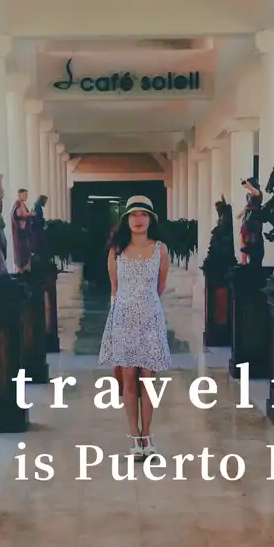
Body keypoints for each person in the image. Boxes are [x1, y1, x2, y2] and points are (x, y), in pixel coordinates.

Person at [98, 196, 172, 459]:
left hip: (151, 318)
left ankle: (147, 435)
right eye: (133, 214)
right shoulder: (116, 250)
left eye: (143, 214)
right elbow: (114, 289)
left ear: (151, 219)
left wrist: (146, 305)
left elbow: (160, 286)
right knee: (128, 380)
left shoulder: (160, 249)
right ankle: (134, 437)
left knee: (148, 380)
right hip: (123, 318)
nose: (138, 219)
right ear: (126, 219)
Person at [234, 176, 263, 266]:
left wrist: (248, 185)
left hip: (254, 218)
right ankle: (243, 260)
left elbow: (254, 191)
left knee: (252, 238)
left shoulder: (258, 192)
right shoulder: (249, 194)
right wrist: (241, 214)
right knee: (243, 237)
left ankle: (252, 258)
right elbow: (247, 206)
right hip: (247, 217)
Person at [11, 188, 34, 272]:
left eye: (26, 194)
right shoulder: (17, 204)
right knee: (21, 253)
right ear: (19, 195)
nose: (26, 196)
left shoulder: (22, 204)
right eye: (24, 194)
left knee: (26, 252)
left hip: (25, 234)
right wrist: (29, 214)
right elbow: (19, 214)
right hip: (20, 234)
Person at [31, 194, 49, 264]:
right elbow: (37, 219)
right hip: (37, 231)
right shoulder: (38, 207)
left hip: (36, 230)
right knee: (39, 247)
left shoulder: (36, 206)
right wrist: (43, 222)